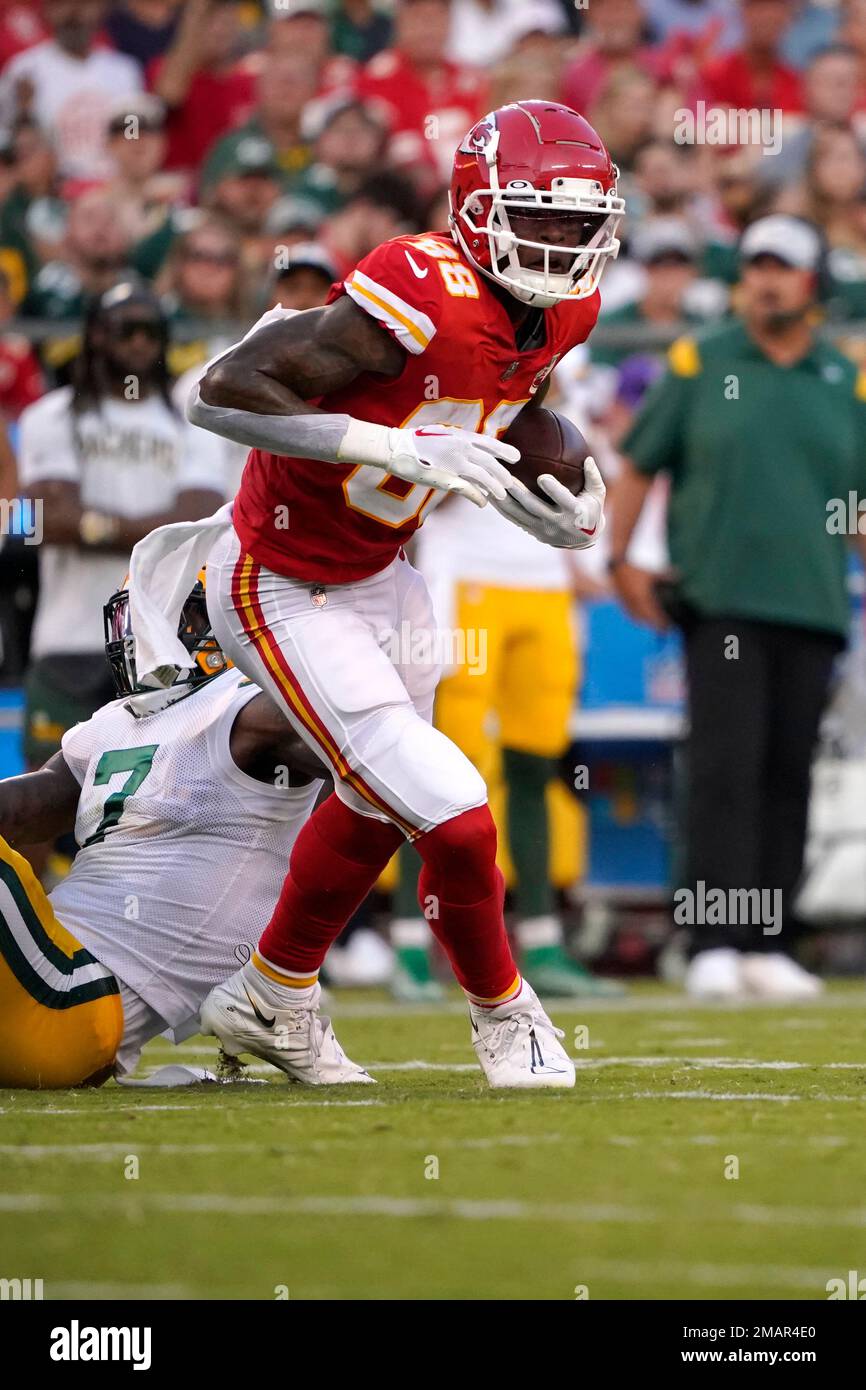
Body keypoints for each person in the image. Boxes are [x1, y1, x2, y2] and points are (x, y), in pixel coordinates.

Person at [150, 100, 622, 1090]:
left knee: (376, 802)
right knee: (452, 809)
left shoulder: (566, 310)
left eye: (578, 220)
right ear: (475, 204)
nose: (560, 239)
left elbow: (499, 410)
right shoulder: (418, 279)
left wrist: (551, 491)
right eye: (536, 215)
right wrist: (396, 444)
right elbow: (221, 393)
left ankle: (274, 994)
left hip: (386, 571)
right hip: (278, 574)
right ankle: (506, 1014)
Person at [609, 214, 866, 1003]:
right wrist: (621, 562)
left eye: (782, 266)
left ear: (812, 281)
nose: (767, 279)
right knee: (723, 771)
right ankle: (711, 938)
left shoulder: (844, 377)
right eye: (756, 264)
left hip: (815, 602)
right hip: (720, 599)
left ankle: (769, 941)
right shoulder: (700, 360)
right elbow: (636, 465)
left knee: (789, 773)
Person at [0, 577, 358, 1089]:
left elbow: (348, 726)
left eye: (162, 616)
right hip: (34, 993)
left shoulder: (245, 708)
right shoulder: (117, 720)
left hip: (74, 999)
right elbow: (24, 808)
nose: (137, 635)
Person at [17, 282, 224, 877]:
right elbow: (42, 519)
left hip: (158, 649)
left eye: (150, 331)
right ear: (95, 335)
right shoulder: (50, 415)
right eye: (124, 329)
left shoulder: (190, 422)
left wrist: (94, 522)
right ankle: (16, 938)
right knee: (38, 803)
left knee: (153, 811)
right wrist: (150, 532)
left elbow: (199, 523)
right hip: (69, 638)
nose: (138, 342)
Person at [0, 0, 143, 183]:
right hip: (51, 191)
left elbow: (134, 131)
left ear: (101, 10)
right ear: (47, 10)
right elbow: (6, 139)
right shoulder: (24, 70)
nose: (75, 14)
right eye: (63, 4)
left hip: (113, 188)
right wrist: (24, 113)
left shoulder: (124, 71)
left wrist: (133, 144)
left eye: (85, 5)